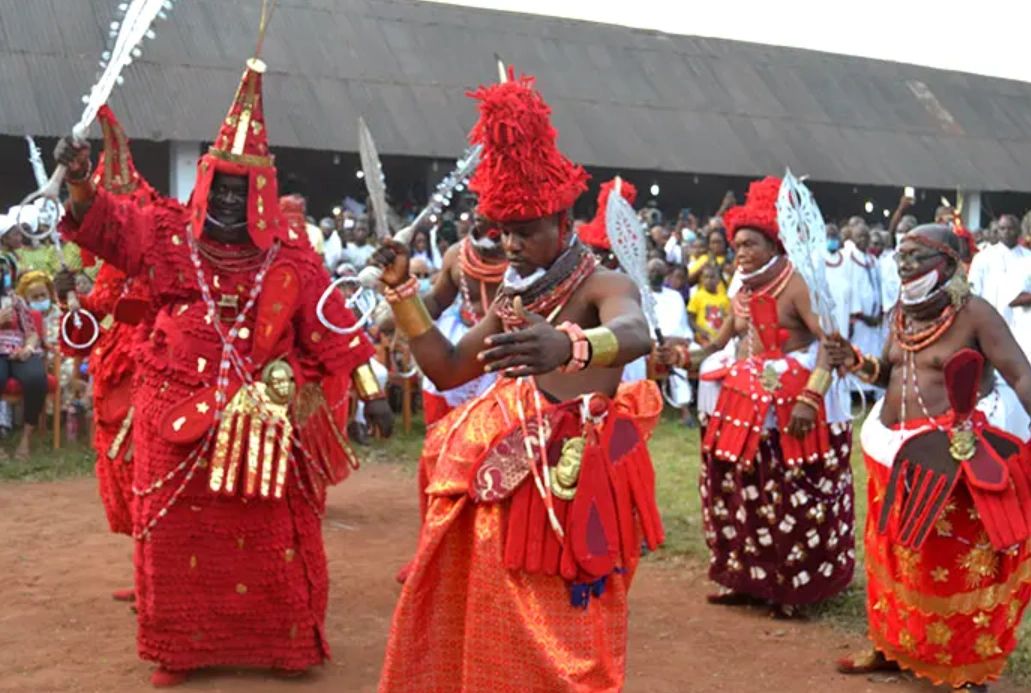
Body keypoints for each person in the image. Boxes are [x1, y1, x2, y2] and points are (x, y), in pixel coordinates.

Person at [54, 52, 393, 687]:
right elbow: (106, 229)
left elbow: (332, 329)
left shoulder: (293, 257)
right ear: (206, 184)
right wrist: (79, 185)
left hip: (264, 427)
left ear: (264, 193)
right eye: (224, 189)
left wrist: (363, 392)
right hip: (172, 415)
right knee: (176, 541)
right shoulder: (165, 234)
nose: (233, 203)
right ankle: (180, 651)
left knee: (273, 542)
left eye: (247, 191)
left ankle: (285, 647)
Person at [375, 69, 661, 692]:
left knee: (565, 634)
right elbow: (449, 367)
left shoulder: (602, 286)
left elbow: (637, 334)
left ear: (565, 223)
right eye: (503, 231)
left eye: (525, 229)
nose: (512, 244)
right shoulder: (511, 294)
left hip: (571, 489)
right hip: (503, 483)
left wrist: (570, 344)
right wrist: (402, 292)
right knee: (497, 613)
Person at [830, 225, 1031, 692]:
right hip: (890, 450)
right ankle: (890, 646)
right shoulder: (904, 313)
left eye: (916, 257)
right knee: (890, 555)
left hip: (948, 458)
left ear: (949, 262)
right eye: (900, 256)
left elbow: (1020, 374)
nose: (903, 266)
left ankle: (965, 668)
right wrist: (855, 361)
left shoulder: (976, 315)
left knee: (951, 560)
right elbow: (889, 372)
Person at [694, 176, 855, 619]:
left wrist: (810, 396)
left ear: (774, 245)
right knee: (740, 494)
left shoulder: (799, 284)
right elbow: (719, 341)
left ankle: (793, 588)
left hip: (789, 411)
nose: (740, 253)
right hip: (741, 408)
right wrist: (683, 354)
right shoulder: (741, 289)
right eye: (736, 245)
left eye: (749, 244)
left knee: (787, 498)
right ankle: (746, 577)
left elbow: (831, 342)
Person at [54, 104, 159, 601]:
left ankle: (159, 576)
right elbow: (96, 312)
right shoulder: (112, 257)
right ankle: (144, 573)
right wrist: (71, 299)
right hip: (113, 367)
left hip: (150, 364)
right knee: (122, 468)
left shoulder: (156, 242)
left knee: (148, 466)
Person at [398, 213, 507, 426]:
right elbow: (437, 302)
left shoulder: (528, 256)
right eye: (478, 203)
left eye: (491, 207)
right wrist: (403, 296)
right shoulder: (457, 254)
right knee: (446, 429)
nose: (479, 211)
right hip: (461, 345)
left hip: (506, 350)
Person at [0, 260, 46, 462]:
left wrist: (28, 348)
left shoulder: (15, 300)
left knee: (36, 379)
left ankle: (25, 439)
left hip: (19, 350)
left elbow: (32, 333)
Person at [646, 258, 697, 426]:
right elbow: (642, 326)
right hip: (650, 343)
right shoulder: (641, 294)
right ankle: (679, 409)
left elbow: (682, 327)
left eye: (659, 271)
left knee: (683, 355)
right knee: (669, 355)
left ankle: (692, 408)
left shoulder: (675, 296)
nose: (656, 275)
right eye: (652, 271)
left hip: (676, 340)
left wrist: (679, 340)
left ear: (665, 274)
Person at [967, 214, 1031, 326]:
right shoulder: (983, 257)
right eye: (1002, 228)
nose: (1006, 232)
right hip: (990, 321)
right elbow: (973, 290)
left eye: (1011, 229)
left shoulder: (1028, 257)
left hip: (1023, 324)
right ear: (997, 231)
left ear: (1019, 231)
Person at [848, 223, 884, 394]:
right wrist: (860, 314)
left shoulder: (873, 260)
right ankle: (855, 390)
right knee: (857, 352)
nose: (863, 240)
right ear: (852, 238)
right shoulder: (848, 259)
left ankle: (870, 386)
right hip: (860, 319)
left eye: (865, 236)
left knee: (872, 352)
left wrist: (881, 309)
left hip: (874, 318)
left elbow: (878, 286)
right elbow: (850, 288)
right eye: (859, 236)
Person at [687, 262, 730, 346]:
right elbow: (690, 318)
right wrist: (702, 332)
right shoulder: (698, 296)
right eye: (706, 277)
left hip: (719, 338)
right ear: (701, 280)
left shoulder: (725, 298)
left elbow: (727, 319)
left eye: (712, 277)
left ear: (718, 280)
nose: (709, 280)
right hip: (701, 338)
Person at [824, 224, 854, 337]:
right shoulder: (816, 258)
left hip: (843, 311)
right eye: (829, 236)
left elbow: (851, 286)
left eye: (834, 236)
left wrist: (852, 319)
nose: (832, 240)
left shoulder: (846, 258)